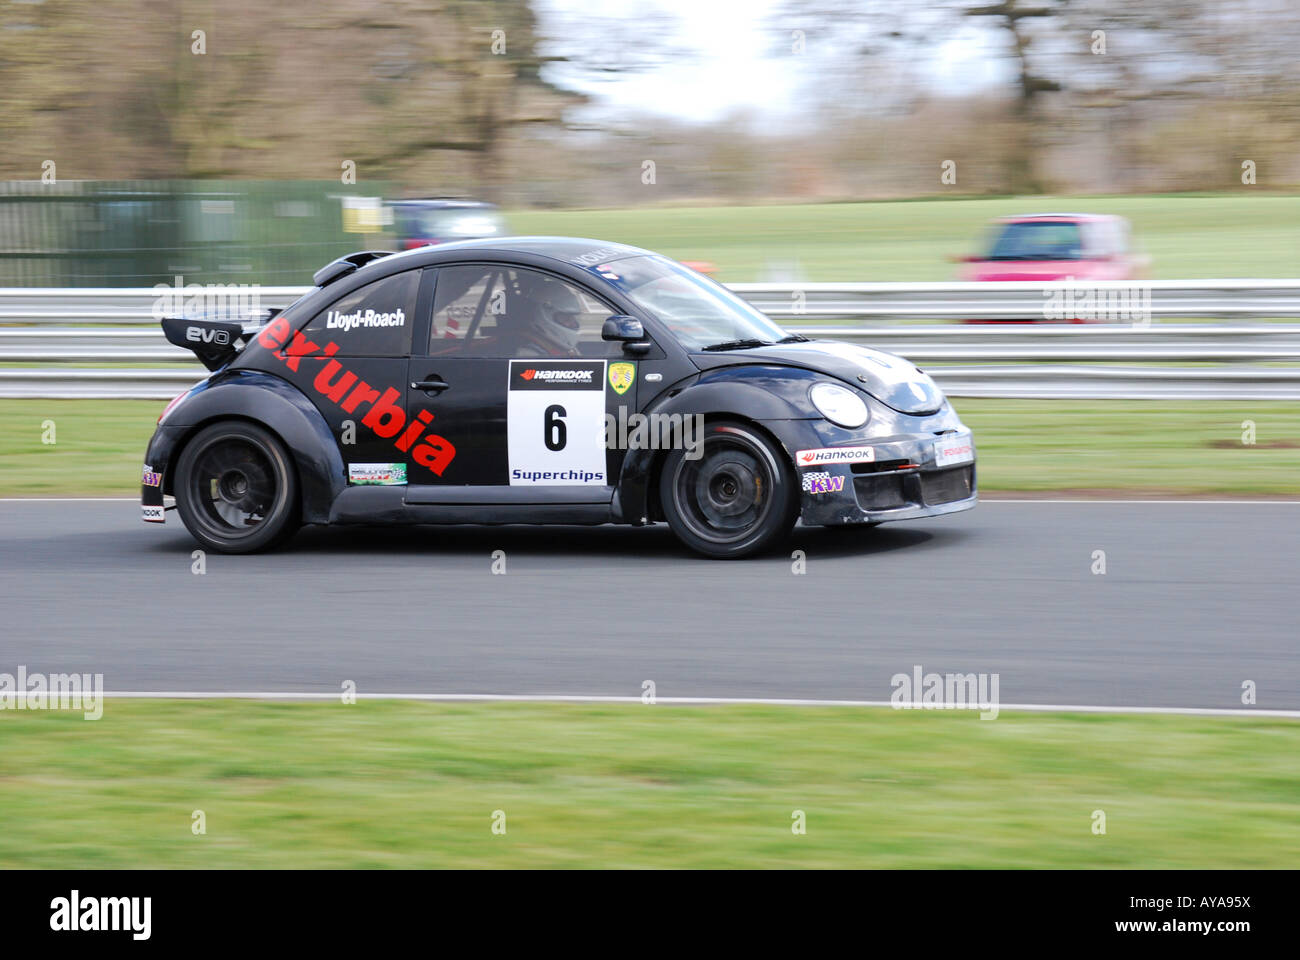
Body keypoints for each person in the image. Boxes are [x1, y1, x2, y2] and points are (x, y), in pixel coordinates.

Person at [509, 272, 583, 357]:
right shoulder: (530, 355)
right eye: (566, 318)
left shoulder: (567, 349)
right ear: (543, 316)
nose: (573, 323)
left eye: (573, 318)